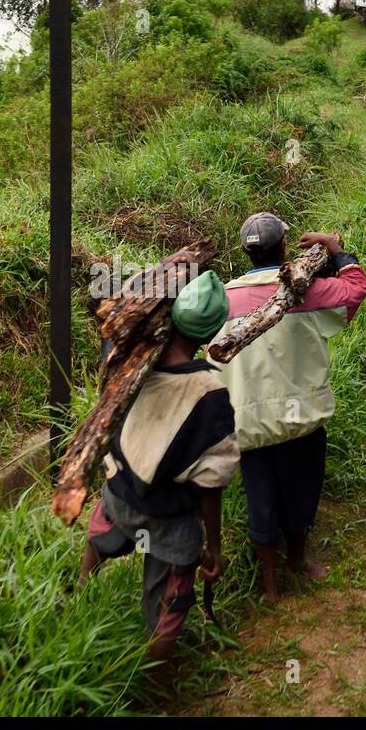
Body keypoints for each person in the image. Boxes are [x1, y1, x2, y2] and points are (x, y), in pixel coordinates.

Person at [79, 269, 240, 672]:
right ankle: (155, 681)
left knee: (102, 534)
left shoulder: (131, 356)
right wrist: (214, 545)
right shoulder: (209, 393)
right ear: (211, 333)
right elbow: (210, 484)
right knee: (169, 602)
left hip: (120, 486)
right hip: (171, 517)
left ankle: (78, 593)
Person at [220, 214, 366, 601]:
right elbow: (356, 290)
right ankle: (297, 561)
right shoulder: (307, 292)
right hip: (301, 419)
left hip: (248, 423)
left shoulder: (221, 299)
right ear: (284, 247)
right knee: (303, 490)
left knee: (260, 499)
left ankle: (269, 584)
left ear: (244, 252)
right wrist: (337, 251)